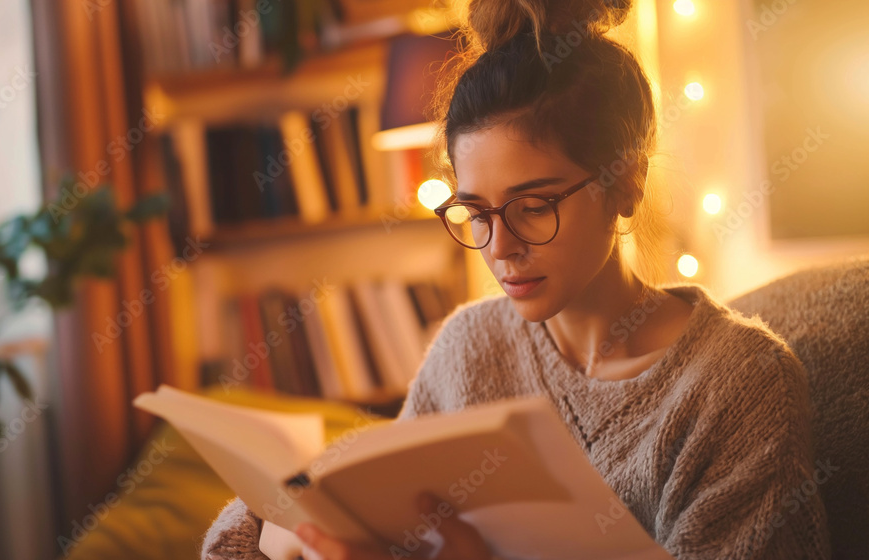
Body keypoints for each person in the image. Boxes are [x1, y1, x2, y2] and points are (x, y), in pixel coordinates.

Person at [201, 0, 832, 558]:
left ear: (627, 180)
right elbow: (368, 505)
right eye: (476, 213)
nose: (500, 248)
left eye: (535, 206)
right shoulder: (468, 350)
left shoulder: (739, 386)